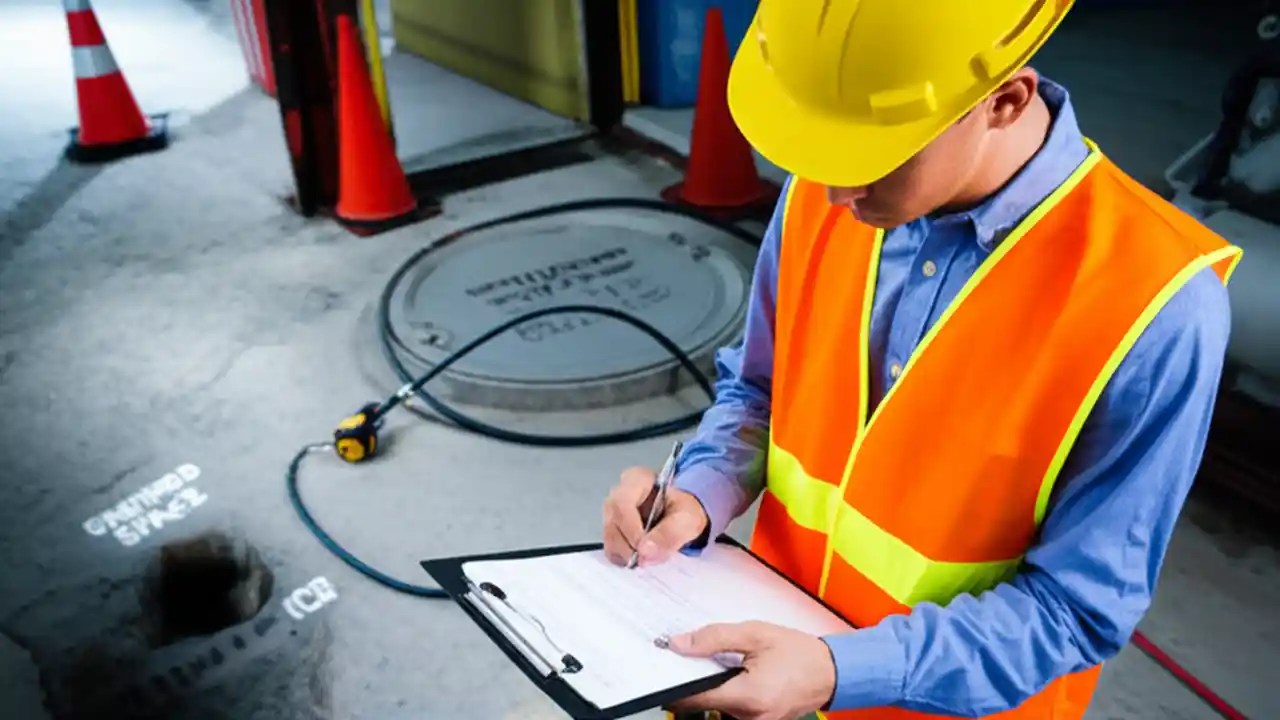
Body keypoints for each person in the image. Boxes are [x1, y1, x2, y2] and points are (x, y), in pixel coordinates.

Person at [600, 1, 1244, 719]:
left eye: (871, 158)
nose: (835, 191)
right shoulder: (830, 183)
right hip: (751, 679)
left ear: (1006, 100)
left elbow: (1076, 611)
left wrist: (838, 672)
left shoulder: (1156, 304)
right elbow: (759, 392)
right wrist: (698, 493)